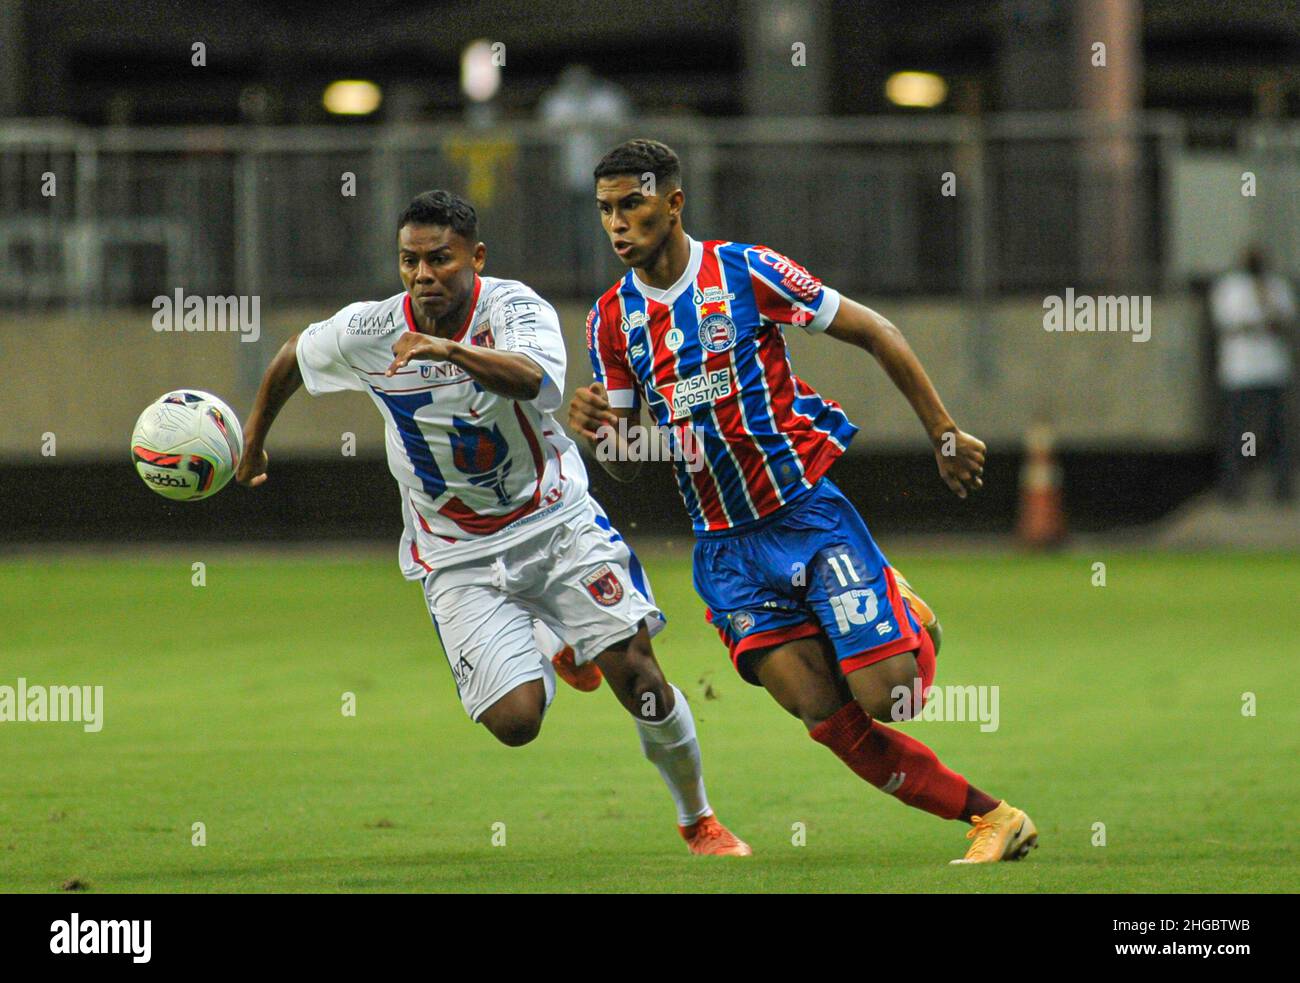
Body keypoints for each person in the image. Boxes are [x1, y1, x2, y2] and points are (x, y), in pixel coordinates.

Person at [237, 189, 749, 856]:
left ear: (475, 257)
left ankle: (698, 819)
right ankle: (551, 639)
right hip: (455, 554)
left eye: (441, 260)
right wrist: (253, 440)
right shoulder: (368, 330)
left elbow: (537, 381)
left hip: (555, 523)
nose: (424, 276)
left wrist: (447, 353)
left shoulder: (514, 308)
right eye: (410, 261)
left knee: (640, 681)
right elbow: (291, 360)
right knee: (515, 723)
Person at [569, 139, 1037, 864]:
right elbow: (628, 462)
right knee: (821, 711)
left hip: (806, 518)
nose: (618, 223)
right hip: (726, 549)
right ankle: (992, 818)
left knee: (889, 698)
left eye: (632, 203)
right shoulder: (611, 321)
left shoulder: (746, 271)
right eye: (605, 210)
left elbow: (876, 330)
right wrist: (603, 434)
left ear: (673, 201)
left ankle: (906, 614)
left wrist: (942, 430)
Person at [1210, 246, 1295, 503]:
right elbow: (1229, 324)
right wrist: (1259, 324)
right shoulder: (1229, 287)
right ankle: (1234, 488)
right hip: (1240, 371)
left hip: (1272, 370)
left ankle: (1281, 489)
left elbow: (1285, 320)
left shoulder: (1276, 286)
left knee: (1276, 432)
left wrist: (1264, 302)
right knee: (1238, 432)